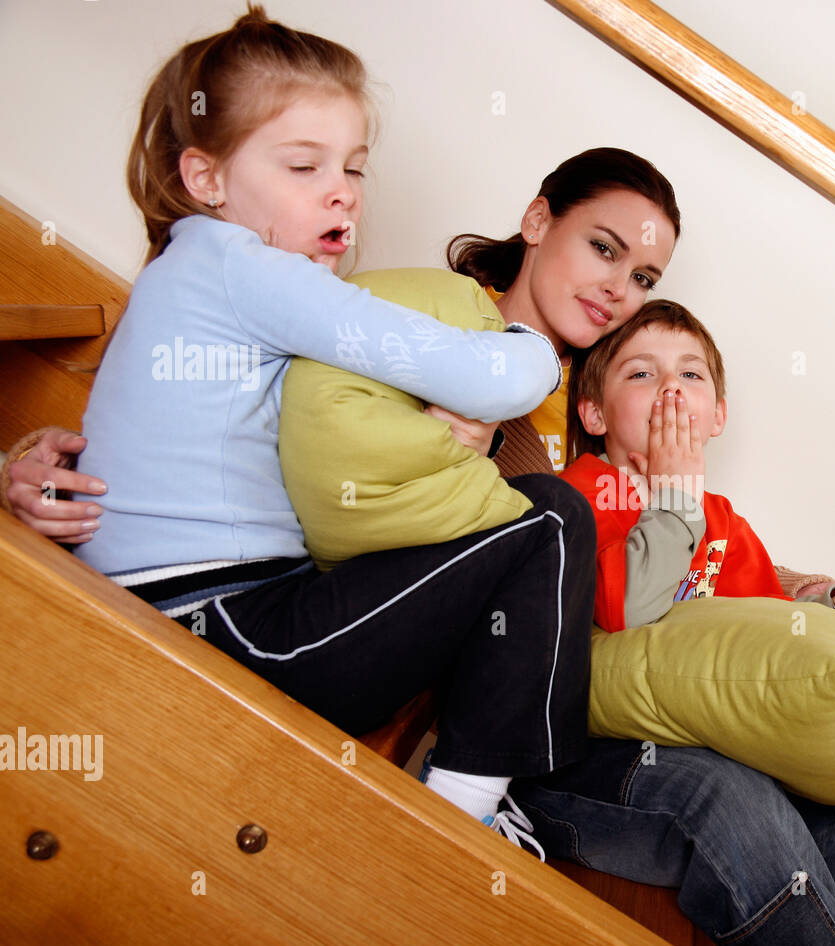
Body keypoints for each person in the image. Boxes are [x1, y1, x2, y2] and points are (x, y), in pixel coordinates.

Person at [3, 128, 835, 946]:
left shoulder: (571, 403)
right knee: (733, 793)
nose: (616, 289)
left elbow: (686, 556)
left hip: (570, 671)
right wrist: (41, 453)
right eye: (603, 247)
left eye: (642, 278)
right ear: (537, 218)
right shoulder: (423, 328)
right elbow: (247, 427)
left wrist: (821, 592)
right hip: (482, 710)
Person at [39, 4, 598, 848]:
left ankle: (477, 789)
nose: (341, 191)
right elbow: (493, 376)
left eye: (355, 168)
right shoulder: (246, 268)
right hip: (217, 633)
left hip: (232, 611)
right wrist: (526, 340)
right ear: (207, 178)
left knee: (506, 531)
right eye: (304, 166)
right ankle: (459, 818)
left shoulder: (194, 267)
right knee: (551, 516)